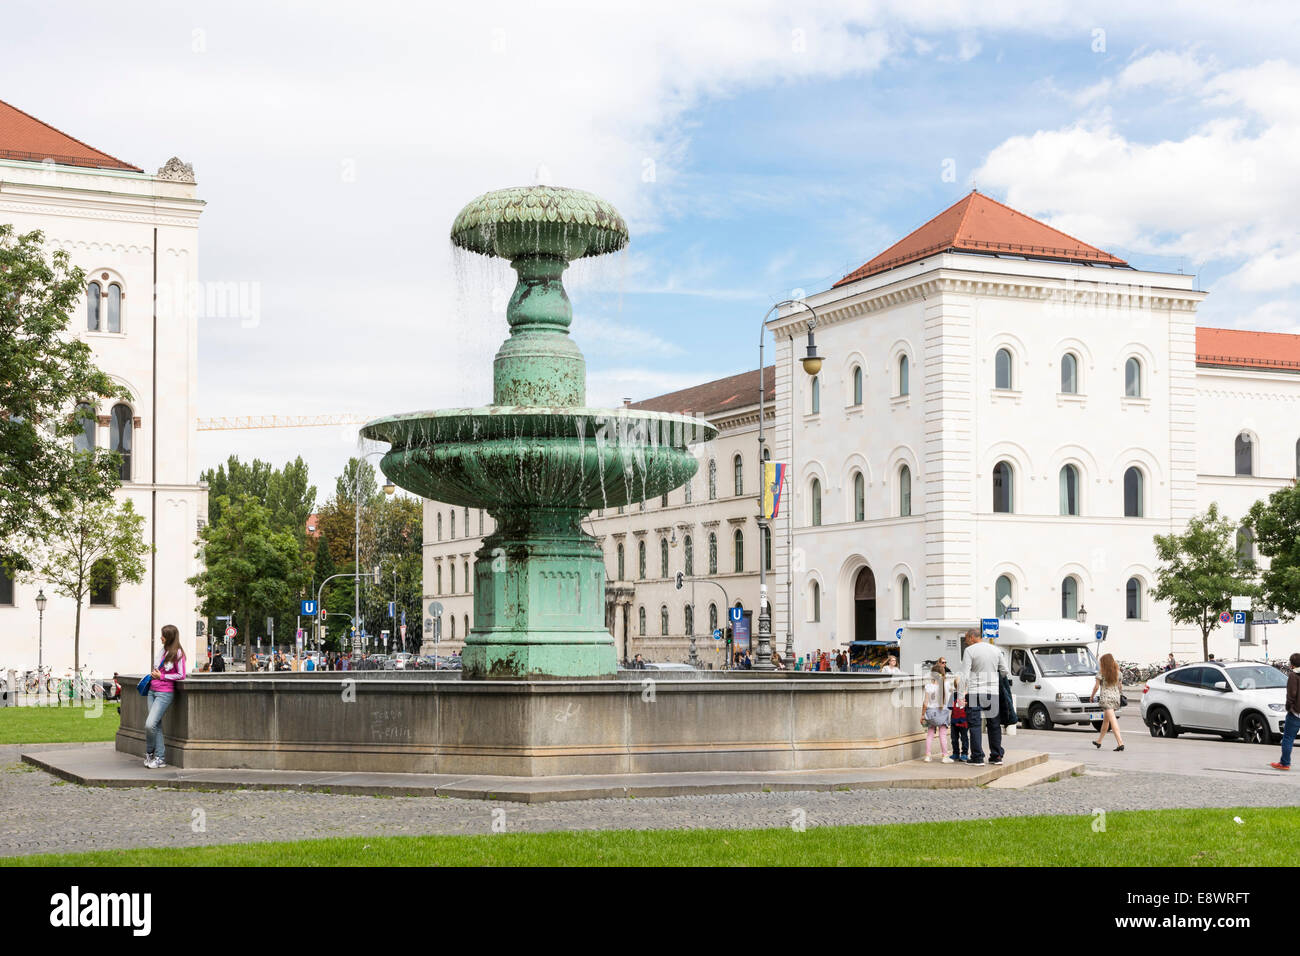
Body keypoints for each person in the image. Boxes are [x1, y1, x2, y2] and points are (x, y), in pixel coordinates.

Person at [958, 628, 1009, 766]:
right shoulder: (995, 650)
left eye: (966, 638)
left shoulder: (970, 651)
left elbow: (964, 675)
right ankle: (996, 756)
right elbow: (1005, 671)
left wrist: (961, 696)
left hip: (975, 692)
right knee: (994, 725)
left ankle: (977, 757)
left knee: (975, 724)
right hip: (992, 692)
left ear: (972, 637)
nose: (966, 641)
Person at [144, 624, 187, 769]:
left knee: (150, 724)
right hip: (152, 690)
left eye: (163, 635)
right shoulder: (162, 651)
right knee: (156, 725)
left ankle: (151, 752)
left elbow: (181, 675)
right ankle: (158, 758)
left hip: (164, 693)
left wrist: (161, 676)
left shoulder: (178, 653)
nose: (160, 637)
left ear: (169, 637)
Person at [1270, 653, 1300, 771]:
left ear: (1291, 664)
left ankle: (1284, 763)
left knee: (1288, 738)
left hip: (1296, 712)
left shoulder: (1293, 676)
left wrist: (1289, 708)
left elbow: (1291, 694)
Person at [1090, 652, 1126, 752]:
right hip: (1115, 698)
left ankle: (1120, 743)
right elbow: (1120, 686)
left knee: (1113, 721)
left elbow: (1096, 687)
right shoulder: (1119, 673)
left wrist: (1092, 696)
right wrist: (1120, 695)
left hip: (1106, 699)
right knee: (1106, 721)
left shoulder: (1101, 673)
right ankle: (1099, 741)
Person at [922, 661, 953, 763]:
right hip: (943, 712)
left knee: (930, 734)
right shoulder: (947, 685)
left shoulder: (928, 686)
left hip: (931, 712)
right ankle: (944, 756)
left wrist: (922, 715)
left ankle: (927, 755)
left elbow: (925, 702)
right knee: (942, 734)